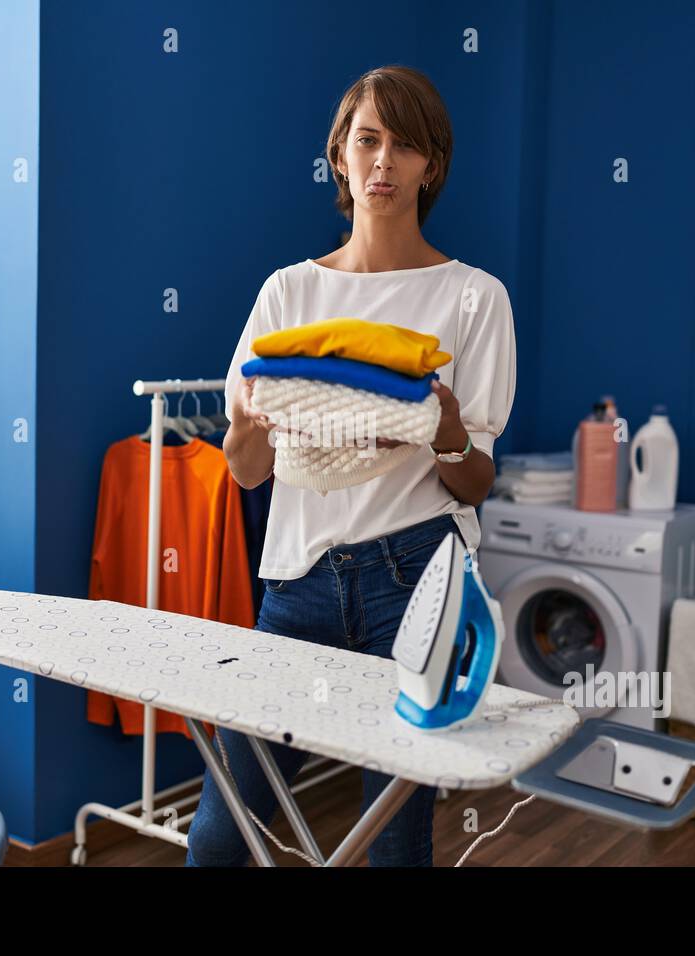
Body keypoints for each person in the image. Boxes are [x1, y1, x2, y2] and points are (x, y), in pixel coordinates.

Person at [184, 64, 517, 867]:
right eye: (368, 140)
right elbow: (246, 470)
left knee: (395, 849)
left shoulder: (473, 298)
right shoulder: (288, 296)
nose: (384, 163)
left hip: (417, 580)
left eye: (407, 147)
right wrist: (252, 424)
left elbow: (477, 480)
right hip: (297, 585)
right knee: (219, 838)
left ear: (430, 166)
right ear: (340, 154)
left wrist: (441, 427)